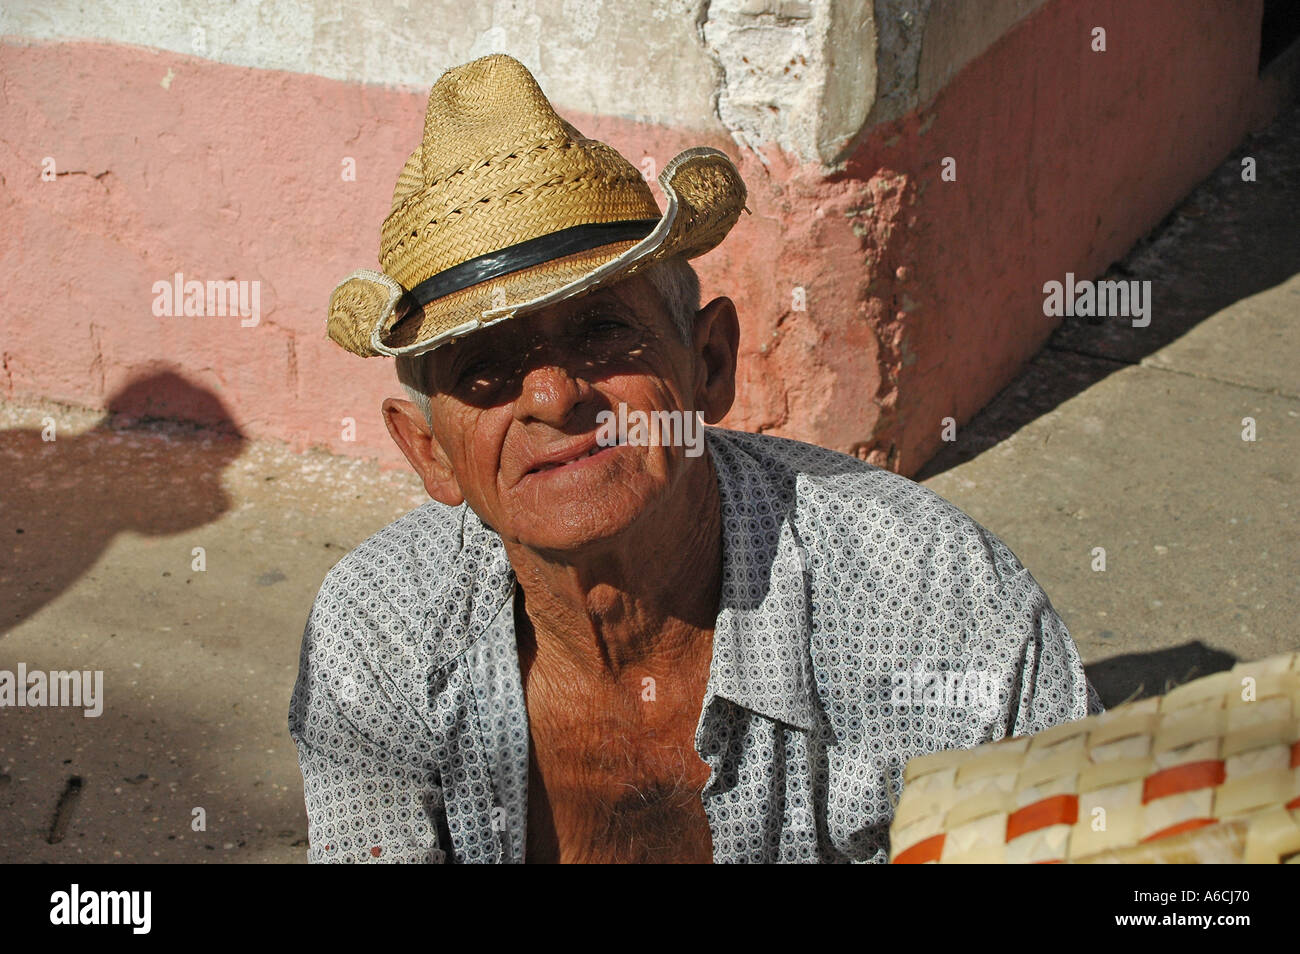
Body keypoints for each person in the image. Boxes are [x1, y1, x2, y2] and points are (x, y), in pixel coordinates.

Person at [288, 53, 1102, 864]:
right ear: (429, 452)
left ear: (709, 364)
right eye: (482, 371)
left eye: (601, 331)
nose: (551, 396)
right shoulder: (382, 629)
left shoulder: (926, 596)